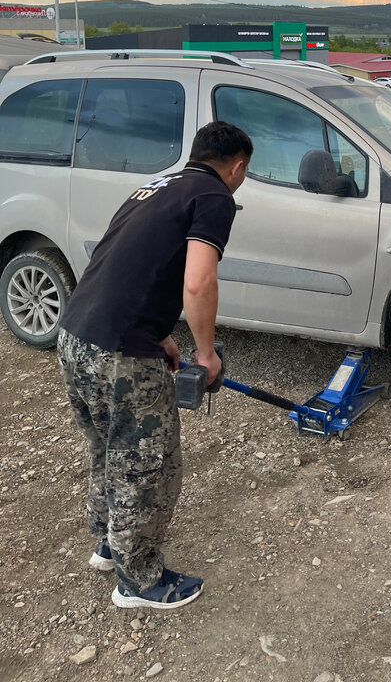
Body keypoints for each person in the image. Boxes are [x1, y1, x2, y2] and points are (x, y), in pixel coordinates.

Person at [57, 121, 253, 610]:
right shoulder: (214, 197)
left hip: (76, 331)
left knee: (107, 447)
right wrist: (205, 354)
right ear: (238, 167)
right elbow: (198, 283)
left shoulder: (156, 186)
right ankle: (139, 580)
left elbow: (128, 263)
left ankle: (108, 543)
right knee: (147, 463)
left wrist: (162, 334)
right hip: (120, 352)